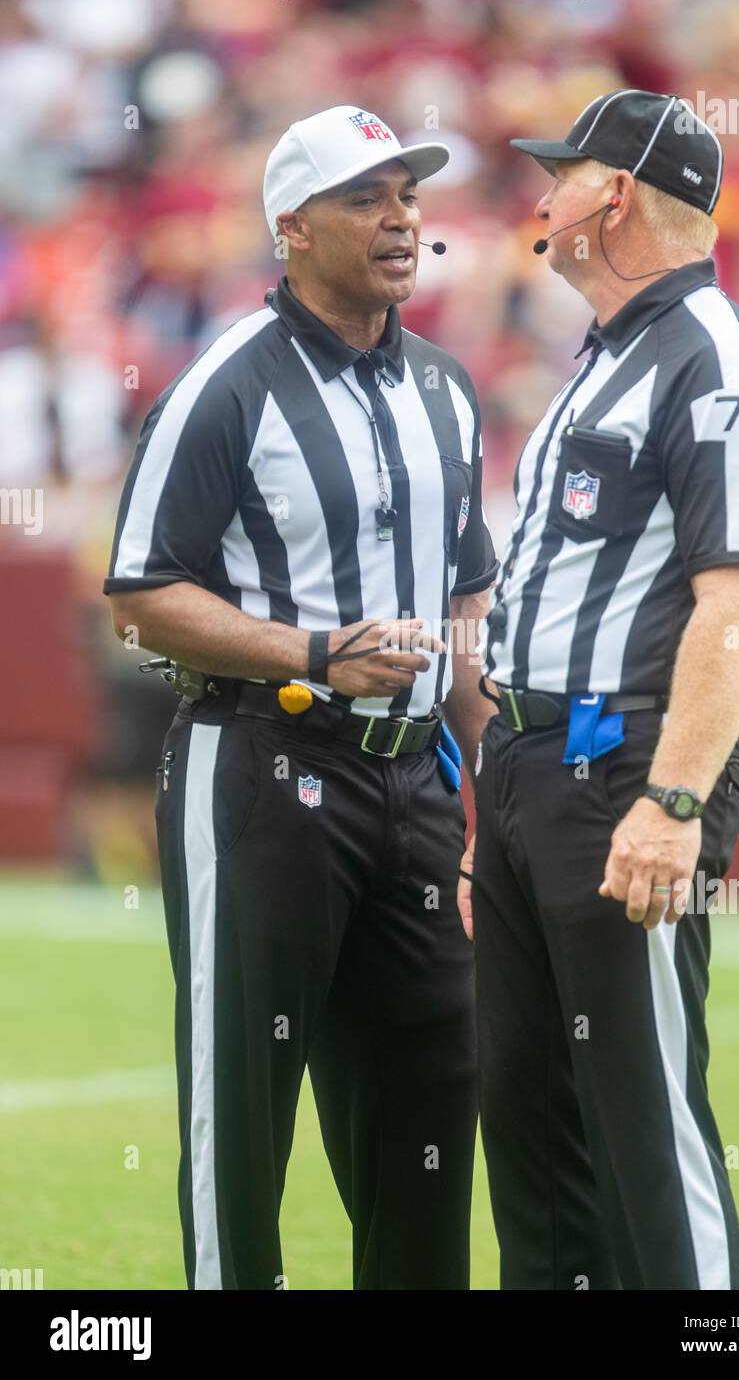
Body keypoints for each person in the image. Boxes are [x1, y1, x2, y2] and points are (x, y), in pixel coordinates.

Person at [104, 104, 498, 1290]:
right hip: (264, 767)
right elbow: (138, 592)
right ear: (293, 226)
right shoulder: (226, 381)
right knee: (244, 1106)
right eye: (366, 197)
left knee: (436, 1094)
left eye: (410, 194)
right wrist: (309, 651)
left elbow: (465, 597)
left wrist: (495, 786)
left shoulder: (445, 385)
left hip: (415, 779)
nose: (401, 218)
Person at [458, 89, 739, 1290]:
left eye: (559, 173)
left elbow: (738, 601)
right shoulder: (605, 356)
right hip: (528, 766)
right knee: (529, 1121)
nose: (538, 196)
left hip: (620, 767)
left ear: (610, 192)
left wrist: (671, 797)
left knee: (644, 1120)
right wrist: (488, 810)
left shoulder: (710, 352)